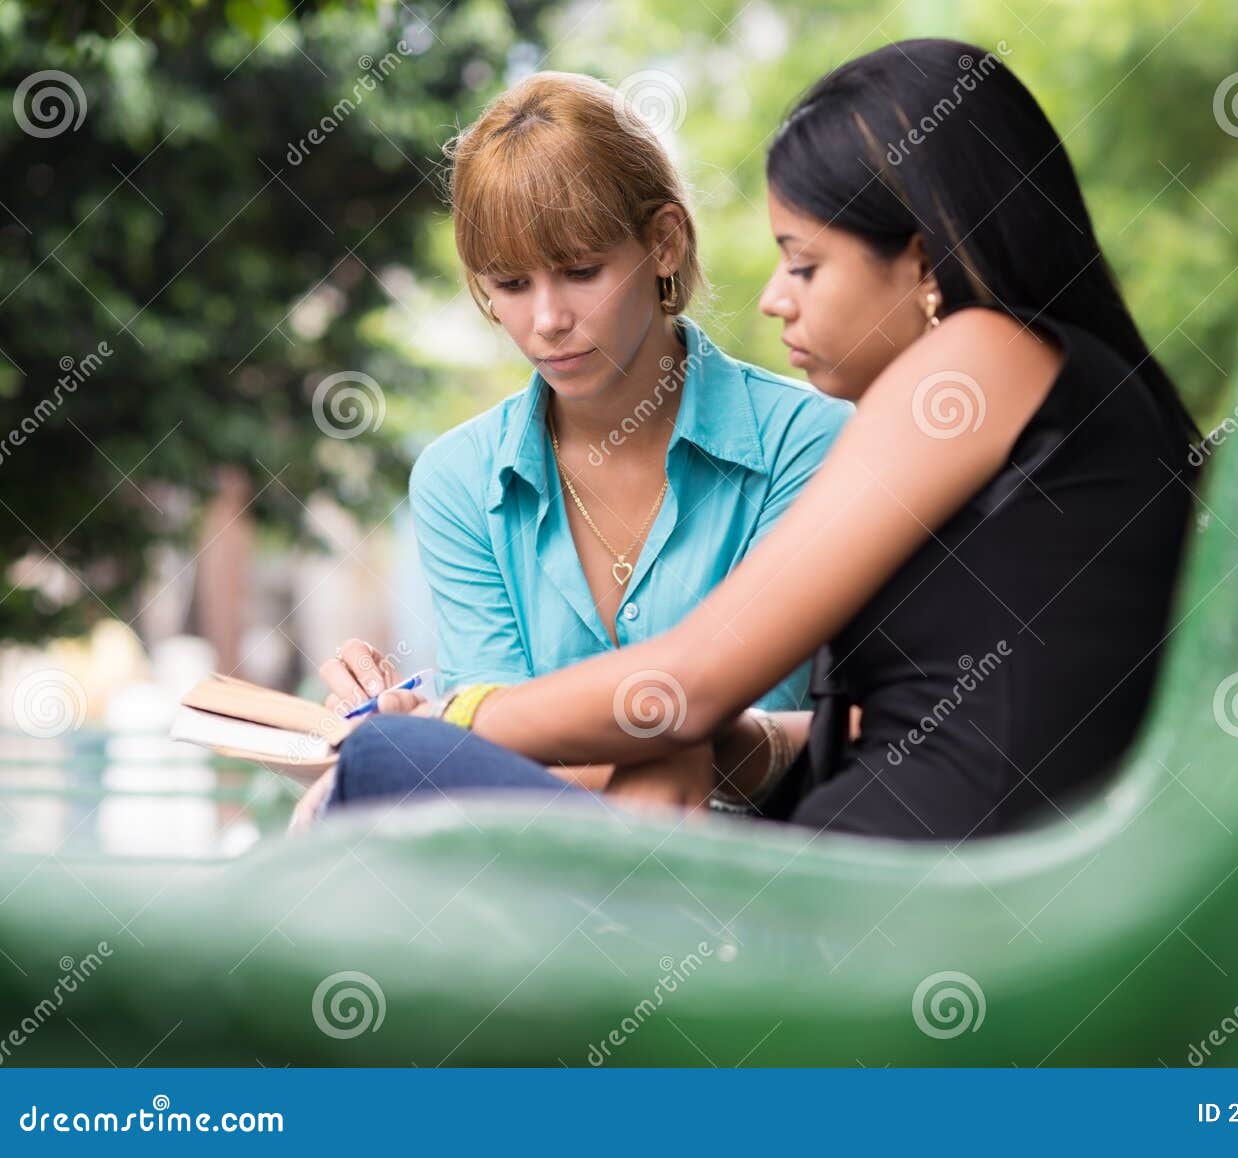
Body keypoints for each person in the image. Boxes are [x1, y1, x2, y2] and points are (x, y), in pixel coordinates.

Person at [309, 39, 1200, 841]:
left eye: (805, 263)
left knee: (383, 765)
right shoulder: (1039, 391)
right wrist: (690, 736)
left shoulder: (971, 361)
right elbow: (708, 708)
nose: (776, 298)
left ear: (926, 260)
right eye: (507, 283)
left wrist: (444, 719)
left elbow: (690, 685)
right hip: (881, 868)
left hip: (886, 892)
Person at [315, 71, 852, 777]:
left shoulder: (805, 444)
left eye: (580, 271)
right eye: (510, 284)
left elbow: (805, 742)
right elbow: (499, 754)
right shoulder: (458, 482)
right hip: (531, 878)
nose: (546, 322)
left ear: (663, 243)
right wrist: (424, 731)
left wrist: (456, 733)